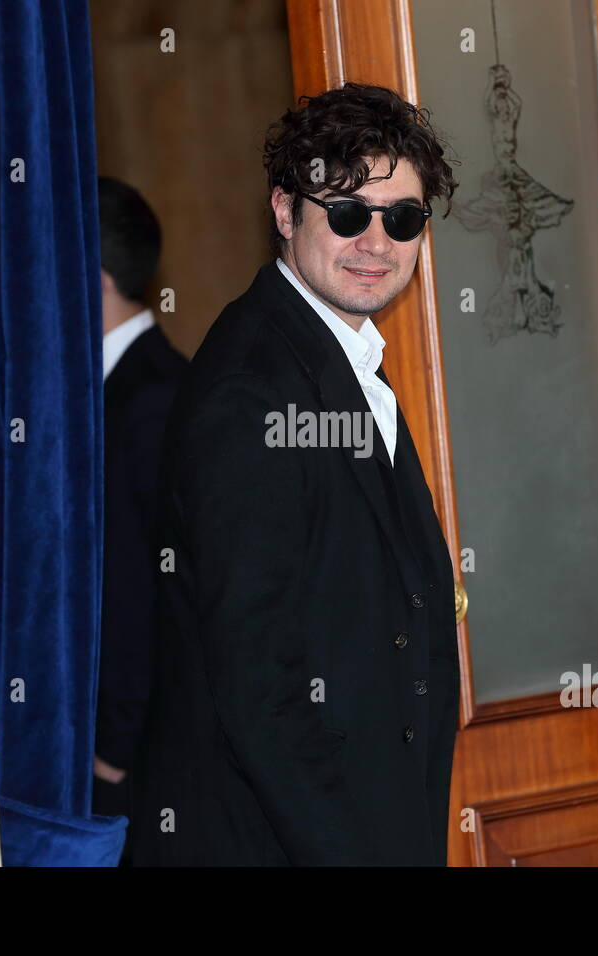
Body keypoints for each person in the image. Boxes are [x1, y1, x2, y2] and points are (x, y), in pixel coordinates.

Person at [131, 82, 462, 865]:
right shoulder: (252, 389)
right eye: (346, 212)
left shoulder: (340, 357)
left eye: (403, 218)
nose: (375, 242)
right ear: (285, 213)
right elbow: (259, 683)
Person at [92, 176, 187, 866]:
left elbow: (148, 586)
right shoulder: (119, 387)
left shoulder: (154, 398)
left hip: (140, 752)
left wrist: (112, 747)